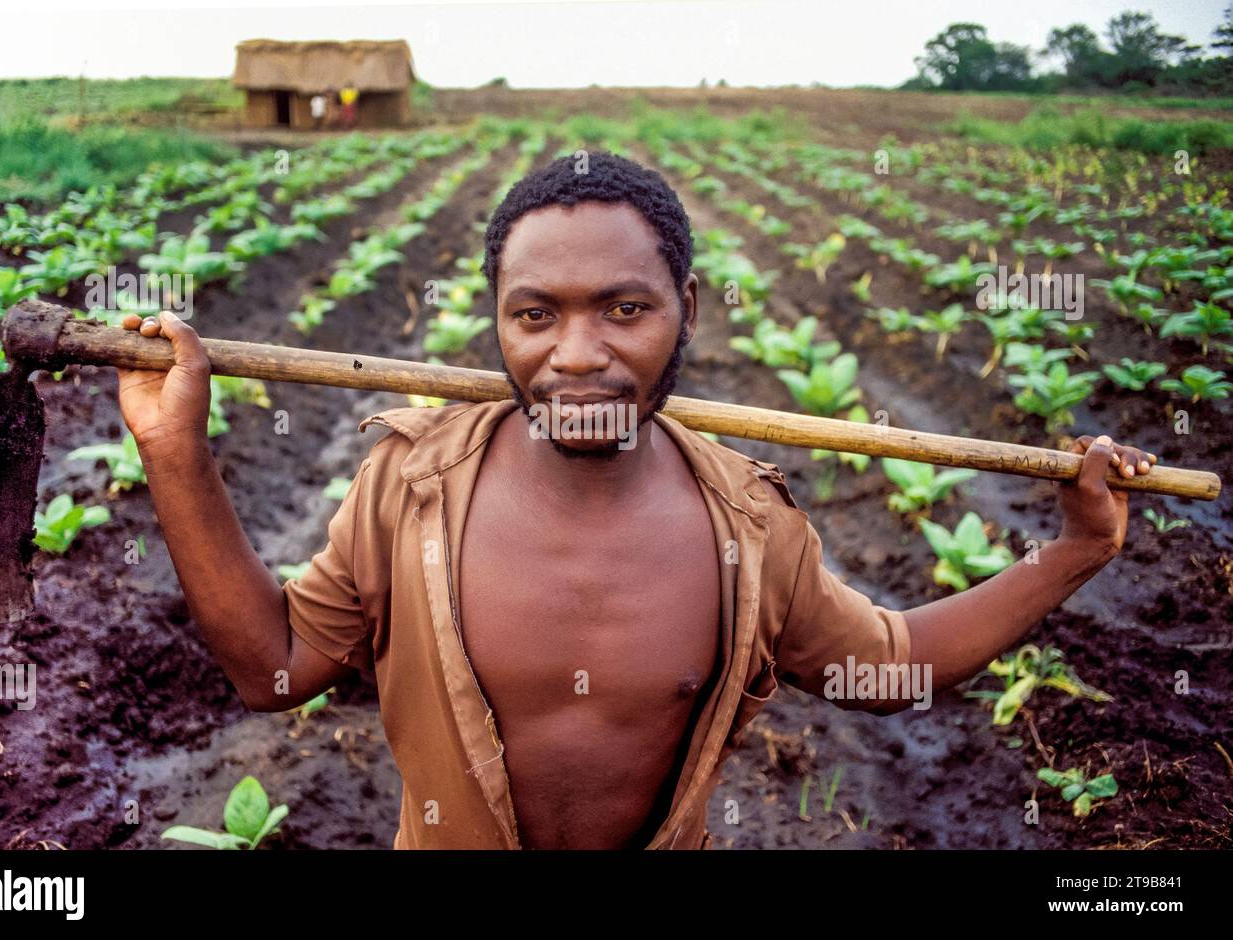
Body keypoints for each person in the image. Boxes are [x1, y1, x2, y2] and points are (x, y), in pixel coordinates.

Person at [115, 152, 1155, 850]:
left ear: (685, 310)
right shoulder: (409, 487)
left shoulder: (746, 518)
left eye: (624, 308)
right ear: (495, 321)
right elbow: (274, 666)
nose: (577, 355)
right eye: (535, 315)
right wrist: (178, 456)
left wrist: (1070, 552)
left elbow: (882, 665)